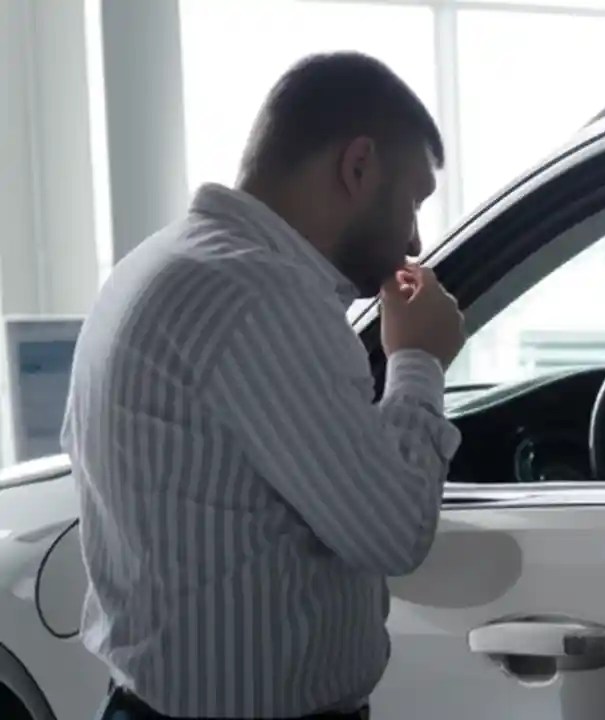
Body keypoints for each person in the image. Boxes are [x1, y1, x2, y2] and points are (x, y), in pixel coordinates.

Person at [62, 51, 465, 719]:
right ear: (357, 166)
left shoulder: (161, 262)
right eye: (414, 199)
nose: (415, 238)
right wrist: (418, 358)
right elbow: (395, 533)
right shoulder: (260, 296)